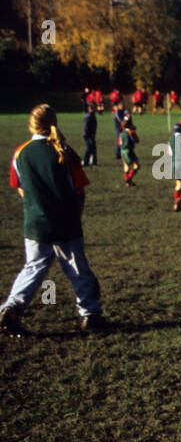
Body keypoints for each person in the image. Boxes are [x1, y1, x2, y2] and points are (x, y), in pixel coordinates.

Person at [0, 104, 107, 336]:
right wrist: (76, 217)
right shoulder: (64, 152)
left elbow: (20, 189)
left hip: (35, 223)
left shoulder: (20, 153)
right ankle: (90, 314)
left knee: (33, 268)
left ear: (31, 125)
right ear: (54, 123)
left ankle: (11, 308)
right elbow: (79, 192)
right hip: (65, 221)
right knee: (77, 269)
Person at [118, 115, 140, 187]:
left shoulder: (122, 133)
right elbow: (137, 140)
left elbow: (119, 143)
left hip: (122, 150)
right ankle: (128, 179)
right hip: (129, 150)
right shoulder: (131, 132)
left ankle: (128, 183)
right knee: (136, 166)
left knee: (126, 165)